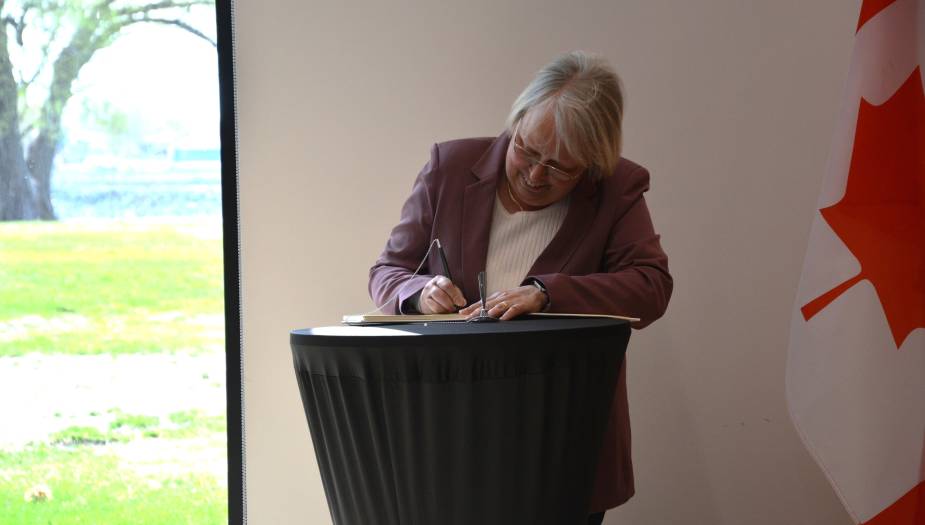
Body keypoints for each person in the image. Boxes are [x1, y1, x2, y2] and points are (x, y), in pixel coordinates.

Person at [369, 51, 672, 524]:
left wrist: (548, 293)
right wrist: (420, 290)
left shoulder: (617, 189)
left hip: (564, 439)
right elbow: (387, 272)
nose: (534, 176)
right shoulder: (450, 167)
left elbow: (650, 287)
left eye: (559, 167)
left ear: (592, 164)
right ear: (514, 124)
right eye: (526, 150)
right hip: (449, 430)